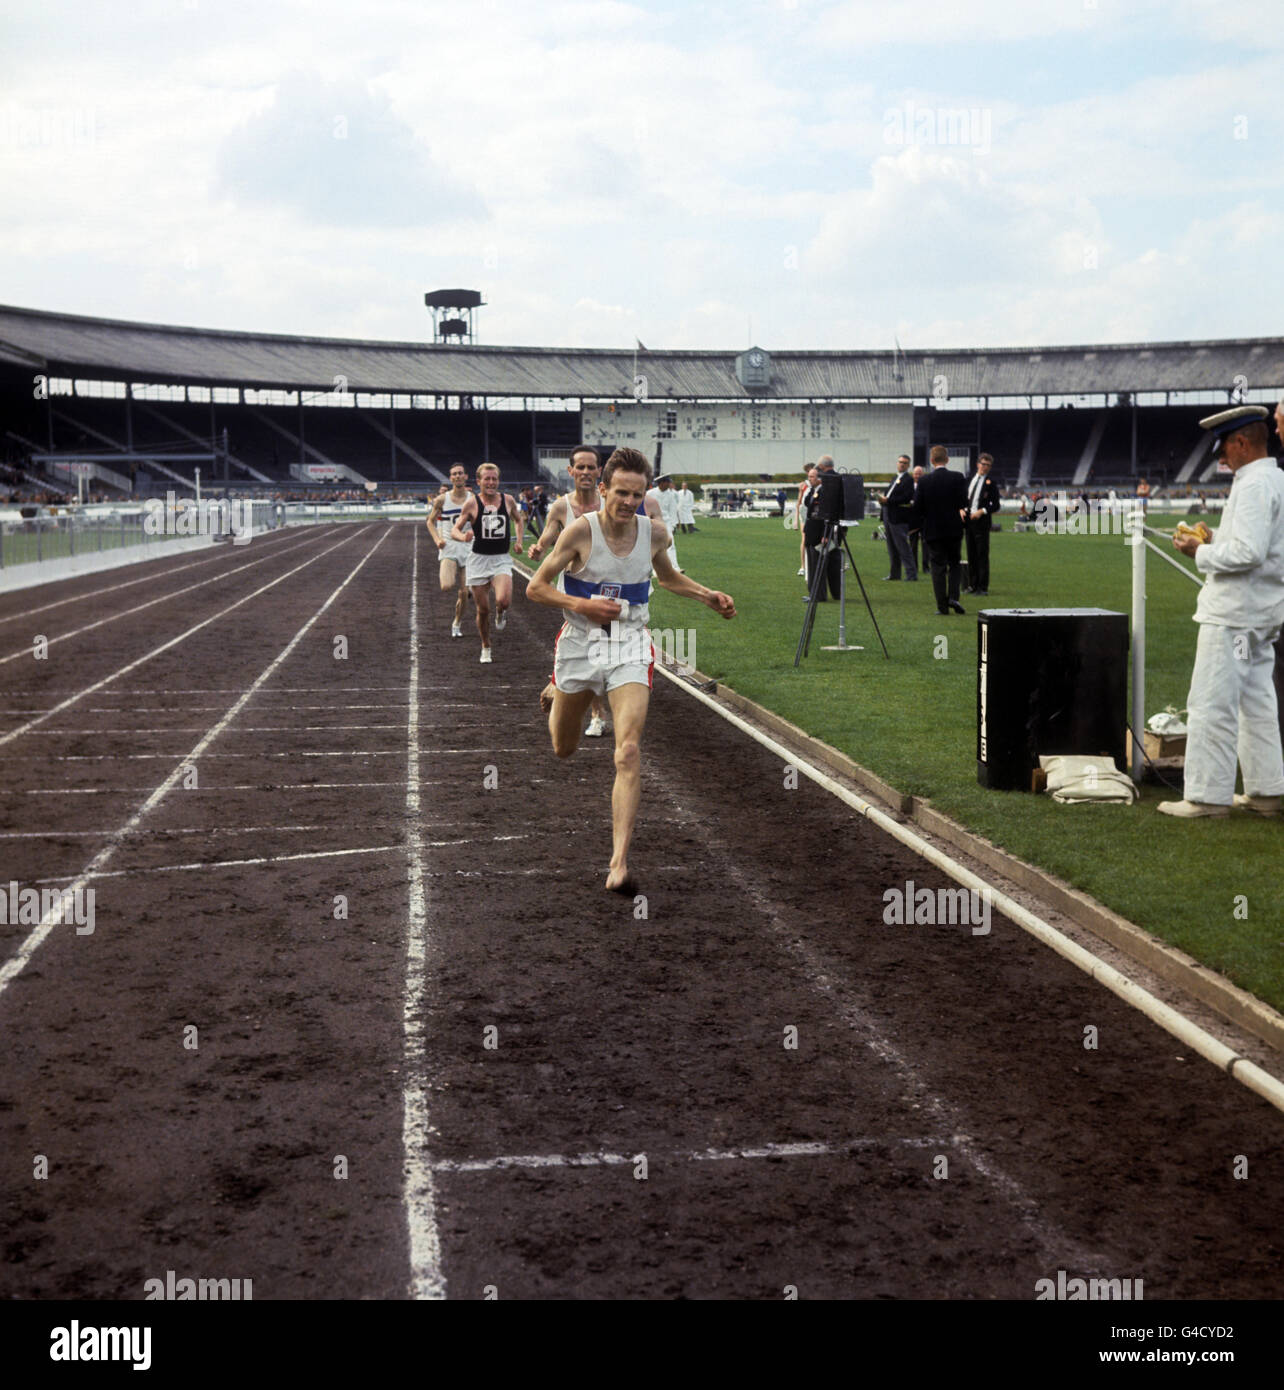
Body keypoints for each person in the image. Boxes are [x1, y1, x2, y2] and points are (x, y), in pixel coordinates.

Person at [527, 447, 735, 892]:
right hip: (580, 645)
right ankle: (556, 692)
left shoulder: (655, 533)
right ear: (602, 489)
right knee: (564, 748)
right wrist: (581, 603)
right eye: (621, 492)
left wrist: (707, 596)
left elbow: (669, 579)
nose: (628, 502)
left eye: (637, 494)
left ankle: (618, 863)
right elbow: (536, 588)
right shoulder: (579, 533)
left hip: (630, 647)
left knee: (628, 752)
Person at [1159, 406, 1284, 818]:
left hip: (1232, 617)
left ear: (1242, 443)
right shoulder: (1273, 480)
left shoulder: (1251, 486)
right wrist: (1215, 538)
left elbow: (1248, 553)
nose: (1221, 458)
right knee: (1255, 702)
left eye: (1224, 448)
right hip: (1258, 617)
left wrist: (1201, 550)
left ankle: (1205, 798)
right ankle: (1266, 792)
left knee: (1212, 702)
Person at [528, 444, 611, 737]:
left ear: (600, 471)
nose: (586, 472)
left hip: (610, 591)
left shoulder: (609, 502)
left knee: (599, 653)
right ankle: (581, 701)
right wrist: (539, 548)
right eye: (581, 467)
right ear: (571, 471)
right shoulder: (562, 506)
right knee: (590, 651)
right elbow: (549, 535)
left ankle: (565, 689)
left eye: (592, 467)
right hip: (576, 592)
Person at [451, 462, 524, 663]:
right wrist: (462, 537)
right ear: (479, 481)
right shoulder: (472, 504)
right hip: (478, 561)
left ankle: (501, 613)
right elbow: (455, 529)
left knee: (504, 600)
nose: (491, 482)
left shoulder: (508, 500)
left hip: (501, 559)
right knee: (482, 610)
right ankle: (486, 646)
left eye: (494, 479)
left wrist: (518, 541)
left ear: (498, 481)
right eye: (487, 479)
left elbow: (518, 520)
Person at [913, 446, 968, 616]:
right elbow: (963, 502)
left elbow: (918, 507)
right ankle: (953, 596)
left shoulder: (923, 481)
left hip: (933, 530)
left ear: (931, 461)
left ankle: (942, 606)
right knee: (955, 564)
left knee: (937, 568)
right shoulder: (958, 478)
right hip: (953, 529)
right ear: (947, 459)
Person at [426, 462, 472, 638]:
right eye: (454, 474)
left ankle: (457, 623)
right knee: (446, 585)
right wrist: (438, 540)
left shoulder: (472, 499)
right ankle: (463, 594)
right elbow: (429, 521)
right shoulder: (442, 499)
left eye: (460, 473)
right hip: (449, 547)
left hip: (468, 548)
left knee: (465, 591)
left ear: (465, 476)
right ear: (450, 477)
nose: (457, 476)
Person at [963, 453, 1001, 595]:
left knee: (982, 555)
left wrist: (982, 511)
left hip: (981, 522)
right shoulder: (969, 480)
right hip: (968, 521)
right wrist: (962, 509)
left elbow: (996, 505)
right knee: (971, 554)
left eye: (988, 465)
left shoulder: (991, 483)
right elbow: (963, 498)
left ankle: (982, 587)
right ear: (977, 464)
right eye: (983, 464)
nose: (985, 467)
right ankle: (972, 585)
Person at [877, 453, 917, 581]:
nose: (902, 464)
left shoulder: (908, 480)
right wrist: (883, 500)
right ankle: (895, 574)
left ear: (908, 465)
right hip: (889, 514)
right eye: (900, 462)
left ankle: (911, 574)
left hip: (898, 517)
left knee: (902, 547)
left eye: (905, 463)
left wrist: (888, 500)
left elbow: (906, 497)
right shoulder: (895, 477)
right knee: (892, 547)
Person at [646, 474, 681, 571]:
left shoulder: (671, 495)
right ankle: (652, 569)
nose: (669, 484)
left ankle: (675, 567)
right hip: (652, 522)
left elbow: (673, 510)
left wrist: (673, 525)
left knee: (671, 544)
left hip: (666, 522)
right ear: (661, 483)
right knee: (651, 545)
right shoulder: (650, 493)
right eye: (667, 482)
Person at [796, 465, 817, 576]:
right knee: (804, 539)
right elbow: (799, 503)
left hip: (815, 513)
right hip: (804, 512)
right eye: (808, 474)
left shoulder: (819, 485)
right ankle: (803, 566)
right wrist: (795, 520)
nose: (809, 477)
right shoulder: (803, 485)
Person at [907, 465, 925, 575]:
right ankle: (914, 566)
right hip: (913, 520)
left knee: (926, 545)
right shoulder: (909, 486)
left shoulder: (926, 485)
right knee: (913, 545)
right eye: (916, 473)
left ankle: (926, 566)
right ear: (913, 474)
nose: (917, 475)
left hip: (924, 519)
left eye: (919, 473)